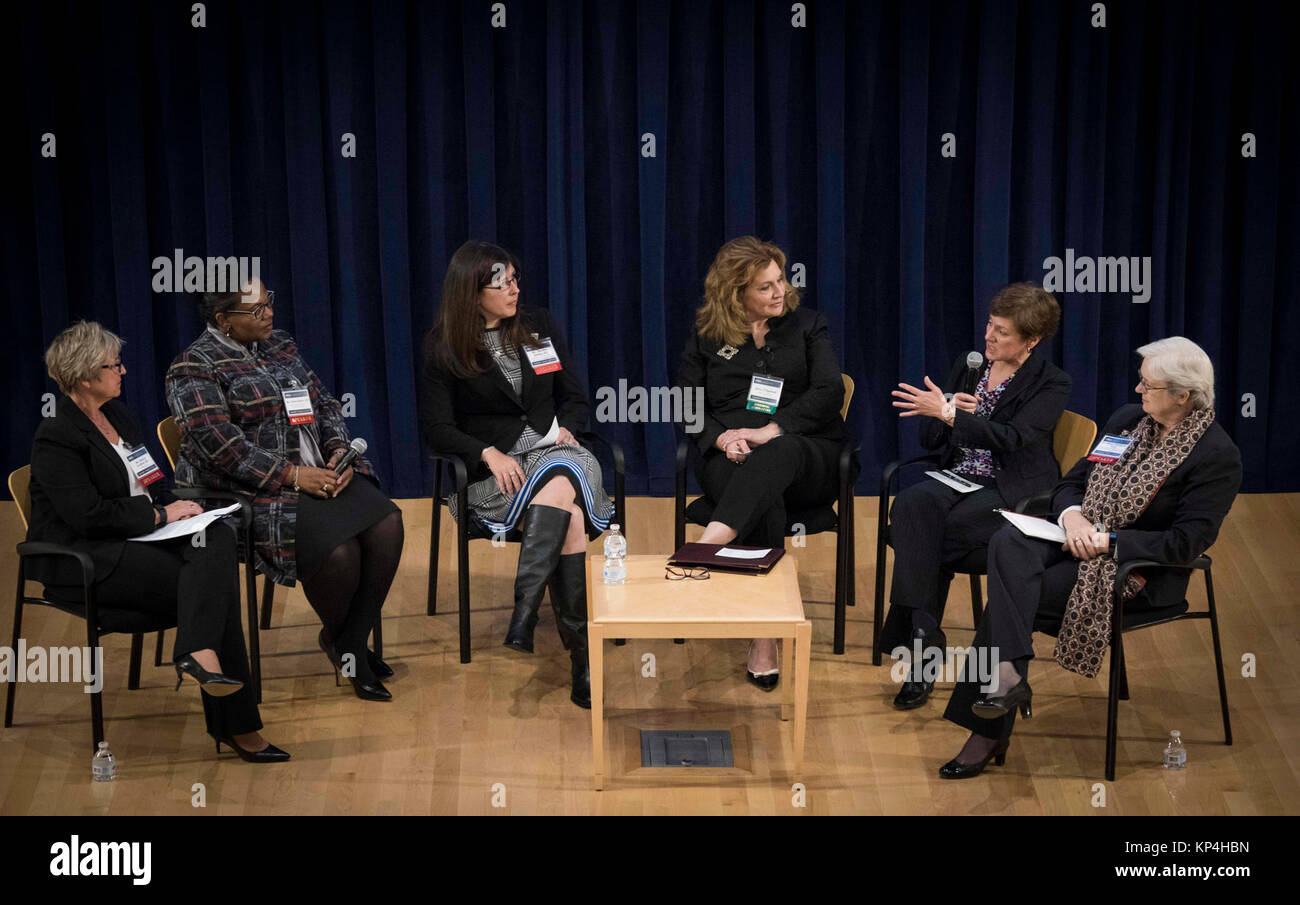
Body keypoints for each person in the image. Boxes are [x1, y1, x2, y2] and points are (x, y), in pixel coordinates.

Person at [936, 337, 1242, 778]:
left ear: (1184, 396)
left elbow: (1187, 542)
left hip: (1133, 573)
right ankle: (1006, 682)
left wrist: (1108, 540)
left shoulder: (1215, 455)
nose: (1138, 392)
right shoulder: (1127, 421)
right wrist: (1074, 517)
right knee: (1008, 541)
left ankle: (990, 722)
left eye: (1149, 386)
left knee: (1011, 596)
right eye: (1140, 382)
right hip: (1075, 541)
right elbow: (1073, 482)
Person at [27, 322, 287, 762]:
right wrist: (161, 516)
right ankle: (239, 728)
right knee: (212, 591)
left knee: (217, 536)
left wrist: (182, 509)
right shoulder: (57, 435)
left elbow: (148, 481)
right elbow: (86, 516)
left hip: (140, 538)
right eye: (114, 365)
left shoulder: (120, 416)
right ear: (86, 376)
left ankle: (197, 655)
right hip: (87, 556)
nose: (123, 372)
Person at [165, 280, 404, 702]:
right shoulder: (193, 368)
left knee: (387, 524)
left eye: (268, 302)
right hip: (254, 491)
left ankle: (348, 638)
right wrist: (292, 476)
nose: (269, 314)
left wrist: (337, 451)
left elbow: (325, 403)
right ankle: (344, 643)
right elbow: (223, 447)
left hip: (318, 471)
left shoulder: (280, 345)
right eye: (255, 310)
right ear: (223, 321)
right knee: (339, 553)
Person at [420, 240, 613, 709]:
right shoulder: (443, 346)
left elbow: (575, 396)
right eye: (501, 282)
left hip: (562, 451)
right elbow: (437, 429)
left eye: (515, 279)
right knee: (564, 515)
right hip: (501, 473)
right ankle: (581, 660)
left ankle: (525, 613)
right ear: (472, 292)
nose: (514, 289)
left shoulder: (539, 325)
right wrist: (486, 452)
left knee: (563, 472)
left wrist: (567, 426)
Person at [882, 283, 1069, 709]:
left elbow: (1014, 439)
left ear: (1031, 340)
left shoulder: (1051, 383)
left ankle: (920, 654)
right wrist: (942, 409)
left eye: (1002, 332)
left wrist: (954, 416)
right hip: (958, 477)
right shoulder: (970, 367)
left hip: (1010, 488)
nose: (989, 336)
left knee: (933, 534)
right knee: (911, 503)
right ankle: (926, 635)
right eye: (990, 324)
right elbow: (933, 439)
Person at [676, 236, 845, 691]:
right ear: (736, 294)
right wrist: (720, 440)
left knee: (777, 453)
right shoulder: (707, 334)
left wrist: (772, 429)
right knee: (759, 488)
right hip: (730, 457)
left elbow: (830, 393)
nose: (780, 292)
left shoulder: (808, 326)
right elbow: (688, 406)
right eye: (765, 287)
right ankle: (765, 633)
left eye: (780, 281)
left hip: (805, 454)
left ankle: (708, 545)